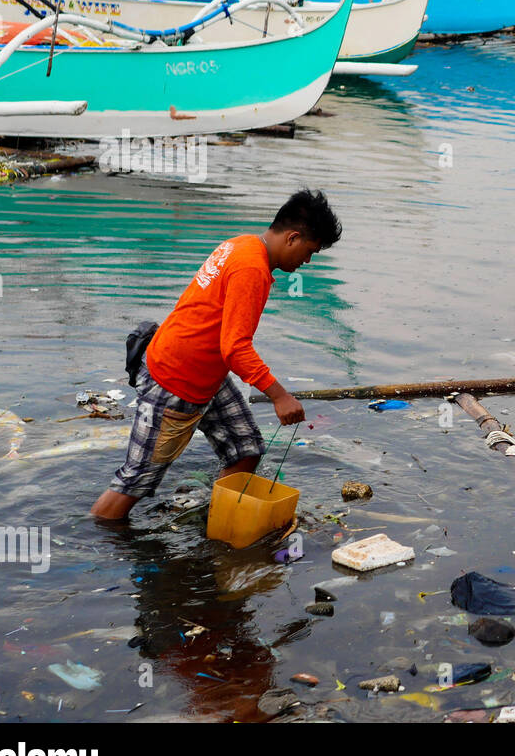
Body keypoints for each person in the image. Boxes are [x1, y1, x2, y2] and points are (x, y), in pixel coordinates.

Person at [89, 190, 343, 520]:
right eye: (310, 252)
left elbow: (224, 339)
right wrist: (279, 396)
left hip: (205, 371)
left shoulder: (241, 244)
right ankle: (93, 544)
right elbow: (236, 348)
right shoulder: (251, 267)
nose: (307, 262)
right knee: (135, 482)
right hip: (175, 378)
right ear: (293, 237)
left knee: (245, 451)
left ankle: (220, 523)